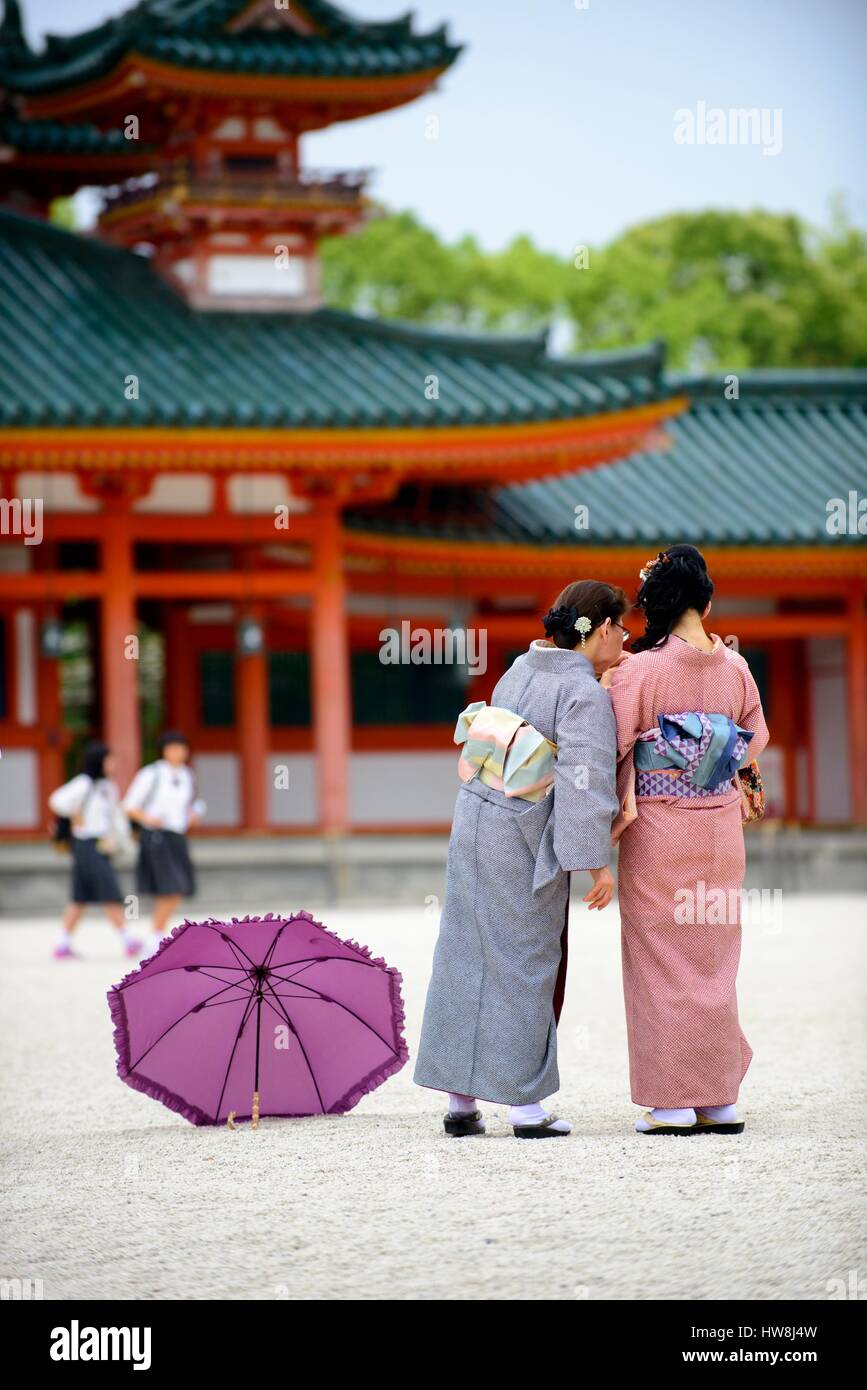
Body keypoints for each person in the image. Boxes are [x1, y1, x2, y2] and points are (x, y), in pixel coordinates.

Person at [413, 580, 626, 1138]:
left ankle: (461, 1101)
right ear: (601, 629)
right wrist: (595, 862)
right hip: (524, 835)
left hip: (475, 817)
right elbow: (585, 782)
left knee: (467, 952)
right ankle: (527, 1108)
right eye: (622, 628)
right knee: (526, 962)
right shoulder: (584, 695)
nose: (625, 639)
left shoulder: (518, 670)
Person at [607, 544, 769, 1136]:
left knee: (660, 961)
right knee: (714, 956)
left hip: (659, 827)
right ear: (706, 599)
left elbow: (614, 745)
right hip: (720, 823)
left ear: (656, 601)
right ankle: (719, 1098)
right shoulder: (736, 667)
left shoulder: (639, 669)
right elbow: (753, 740)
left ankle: (672, 1100)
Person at [48, 741, 139, 959]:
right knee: (110, 891)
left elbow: (116, 816)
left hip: (103, 843)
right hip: (86, 844)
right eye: (109, 759)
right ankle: (127, 939)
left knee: (80, 897)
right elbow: (57, 800)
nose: (113, 763)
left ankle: (62, 943)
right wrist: (74, 813)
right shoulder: (84, 783)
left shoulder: (108, 786)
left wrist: (124, 840)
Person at [123, 730, 205, 953]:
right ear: (164, 751)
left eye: (182, 748)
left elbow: (189, 804)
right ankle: (156, 935)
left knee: (177, 887)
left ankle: (157, 933)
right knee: (169, 886)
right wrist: (149, 819)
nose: (179, 752)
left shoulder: (188, 775)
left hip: (177, 834)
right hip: (156, 835)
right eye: (174, 748)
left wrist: (192, 815)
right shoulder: (151, 774)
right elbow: (129, 806)